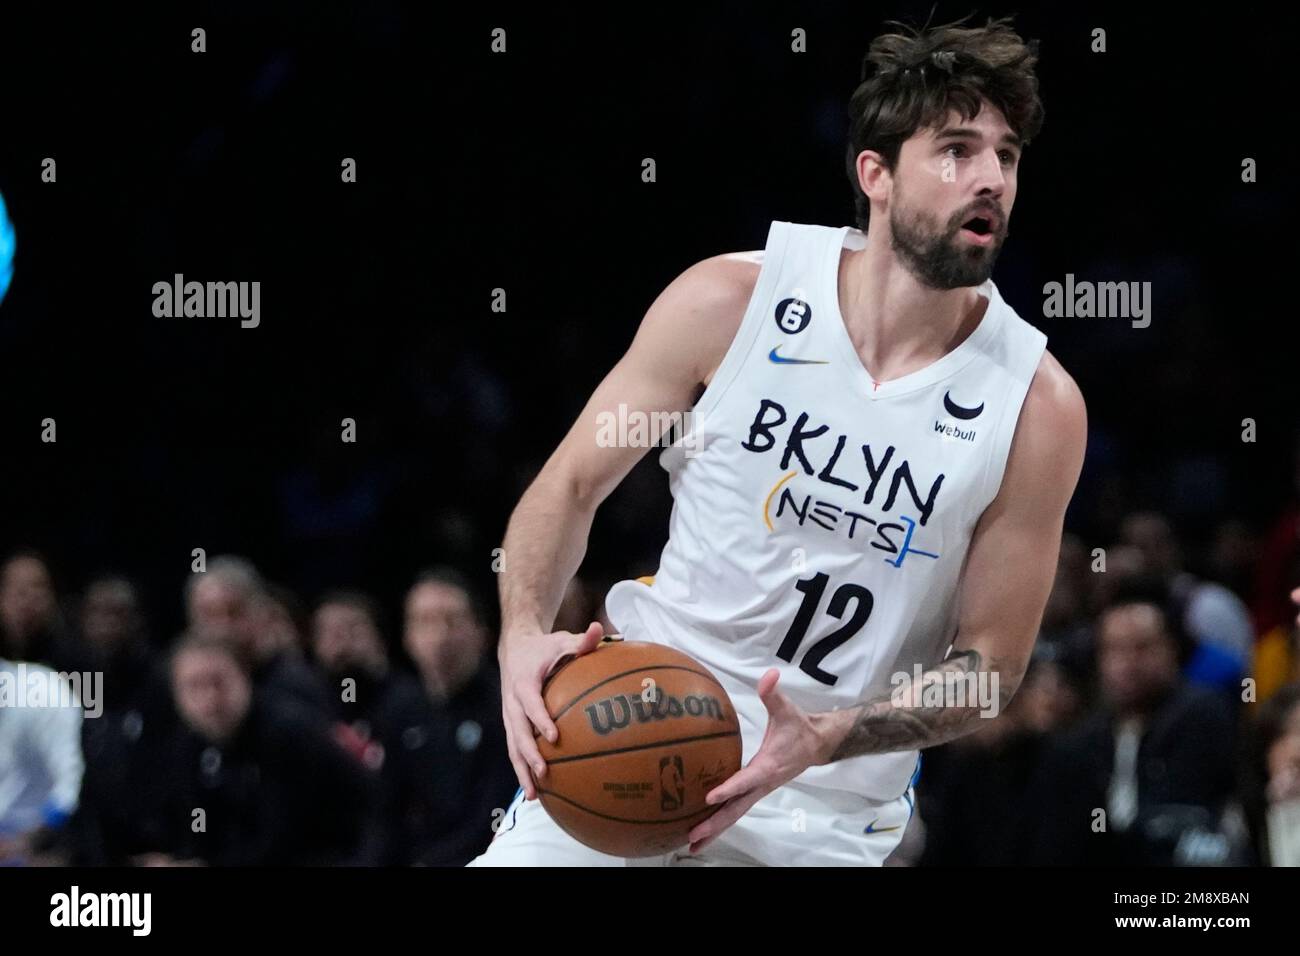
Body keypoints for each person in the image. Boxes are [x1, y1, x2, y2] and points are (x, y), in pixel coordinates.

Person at [473, 14, 1087, 867]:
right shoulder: (729, 304)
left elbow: (989, 669)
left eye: (1007, 156)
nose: (990, 177)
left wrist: (829, 735)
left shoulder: (1037, 405)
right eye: (956, 149)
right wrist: (520, 634)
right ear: (876, 173)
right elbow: (572, 485)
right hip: (637, 721)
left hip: (824, 807)